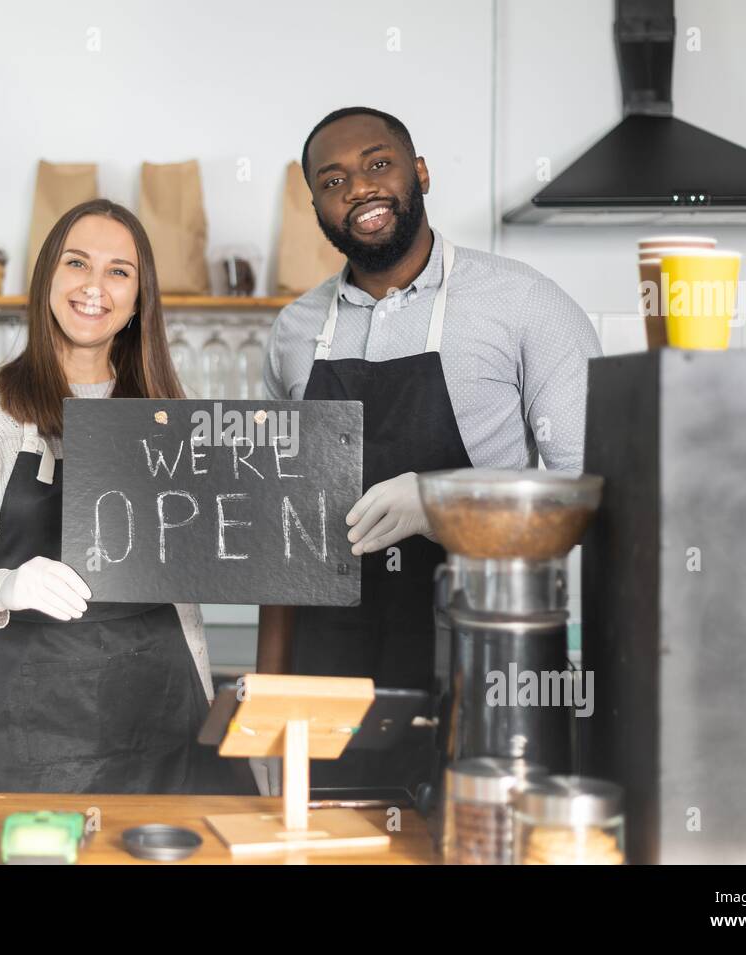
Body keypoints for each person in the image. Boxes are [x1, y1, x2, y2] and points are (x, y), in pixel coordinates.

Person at [257, 106, 602, 794]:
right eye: (333, 179)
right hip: (330, 674)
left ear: (419, 172)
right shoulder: (294, 332)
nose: (358, 187)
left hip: (484, 656)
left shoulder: (524, 303)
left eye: (377, 164)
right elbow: (275, 528)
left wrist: (443, 500)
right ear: (317, 204)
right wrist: (268, 694)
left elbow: (588, 495)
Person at [0, 198, 227, 794]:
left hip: (161, 716)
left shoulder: (172, 415)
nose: (95, 287)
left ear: (138, 299)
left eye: (119, 271)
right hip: (24, 725)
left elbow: (202, 577)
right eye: (77, 263)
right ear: (48, 276)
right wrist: (2, 588)